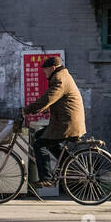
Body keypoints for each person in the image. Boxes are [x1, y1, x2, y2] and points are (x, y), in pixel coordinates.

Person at [22, 56, 86, 186]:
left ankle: (47, 178)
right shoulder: (63, 76)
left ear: (52, 68)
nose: (45, 73)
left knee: (40, 144)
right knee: (41, 135)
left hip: (66, 124)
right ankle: (69, 163)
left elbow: (48, 98)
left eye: (45, 70)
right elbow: (54, 99)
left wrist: (28, 109)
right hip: (66, 122)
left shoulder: (59, 79)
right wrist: (42, 109)